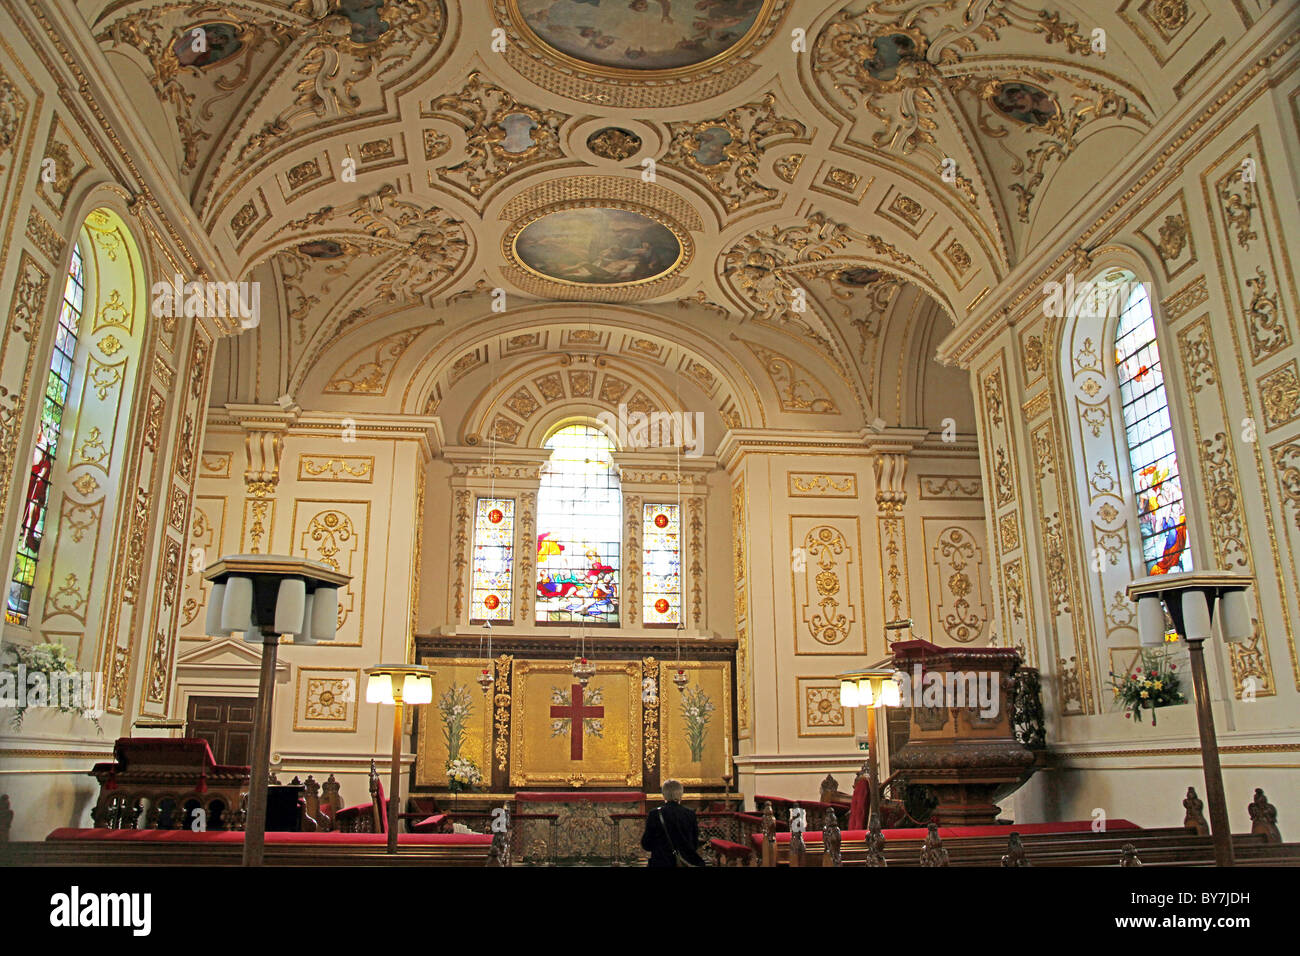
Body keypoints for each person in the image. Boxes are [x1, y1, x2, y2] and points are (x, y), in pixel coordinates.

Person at [641, 779, 704, 867]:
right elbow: (694, 843)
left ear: (663, 795)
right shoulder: (690, 814)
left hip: (660, 862)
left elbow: (646, 844)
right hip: (684, 861)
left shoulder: (654, 814)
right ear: (681, 794)